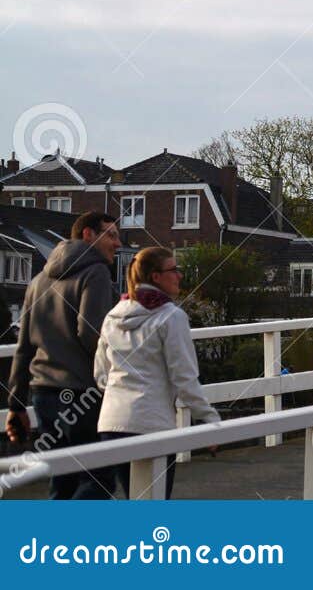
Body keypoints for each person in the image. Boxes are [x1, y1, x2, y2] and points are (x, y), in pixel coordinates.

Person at [4, 211, 121, 499]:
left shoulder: (39, 280)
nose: (117, 244)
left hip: (44, 394)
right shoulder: (96, 273)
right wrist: (118, 372)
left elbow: (24, 346)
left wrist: (16, 404)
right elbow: (90, 333)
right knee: (99, 478)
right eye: (111, 235)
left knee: (62, 480)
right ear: (88, 235)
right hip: (82, 395)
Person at [95, 247, 219, 499]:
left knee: (133, 500)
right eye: (174, 270)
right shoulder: (172, 317)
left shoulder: (112, 316)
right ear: (156, 277)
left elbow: (100, 375)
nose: (180, 275)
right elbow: (184, 377)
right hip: (151, 424)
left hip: (112, 422)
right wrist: (209, 419)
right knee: (153, 504)